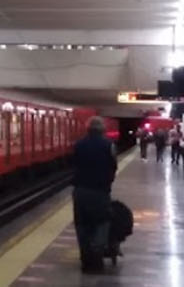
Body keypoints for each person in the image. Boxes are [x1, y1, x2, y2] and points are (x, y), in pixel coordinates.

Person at [71, 117, 118, 273]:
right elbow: (113, 167)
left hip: (80, 191)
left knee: (82, 225)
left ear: (87, 129)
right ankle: (97, 259)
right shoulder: (108, 145)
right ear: (102, 129)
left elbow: (74, 164)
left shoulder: (78, 145)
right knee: (101, 223)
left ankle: (85, 260)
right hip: (100, 191)